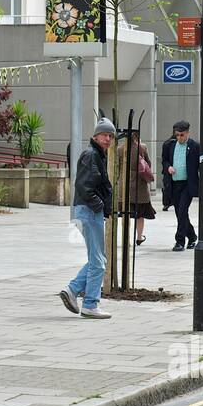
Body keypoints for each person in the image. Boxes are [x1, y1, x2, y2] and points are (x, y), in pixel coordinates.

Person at [58, 119, 115, 319]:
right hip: (90, 212)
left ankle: (72, 290)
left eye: (110, 136)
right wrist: (99, 206)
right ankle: (90, 304)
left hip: (89, 211)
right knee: (99, 261)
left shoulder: (96, 154)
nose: (108, 139)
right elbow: (84, 186)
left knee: (97, 259)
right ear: (96, 136)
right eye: (105, 135)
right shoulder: (91, 155)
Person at [161, 120, 201, 251]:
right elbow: (164, 161)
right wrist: (168, 167)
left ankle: (179, 241)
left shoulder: (195, 146)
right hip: (174, 184)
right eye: (177, 135)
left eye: (182, 135)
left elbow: (202, 165)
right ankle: (192, 236)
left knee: (182, 210)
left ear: (188, 133)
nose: (179, 137)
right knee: (180, 213)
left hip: (187, 185)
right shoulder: (169, 145)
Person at [118, 131, 156, 244]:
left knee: (125, 213)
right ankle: (139, 237)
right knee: (140, 215)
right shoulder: (142, 148)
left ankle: (126, 239)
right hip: (140, 186)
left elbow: (117, 167)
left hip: (125, 185)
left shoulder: (120, 149)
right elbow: (148, 164)